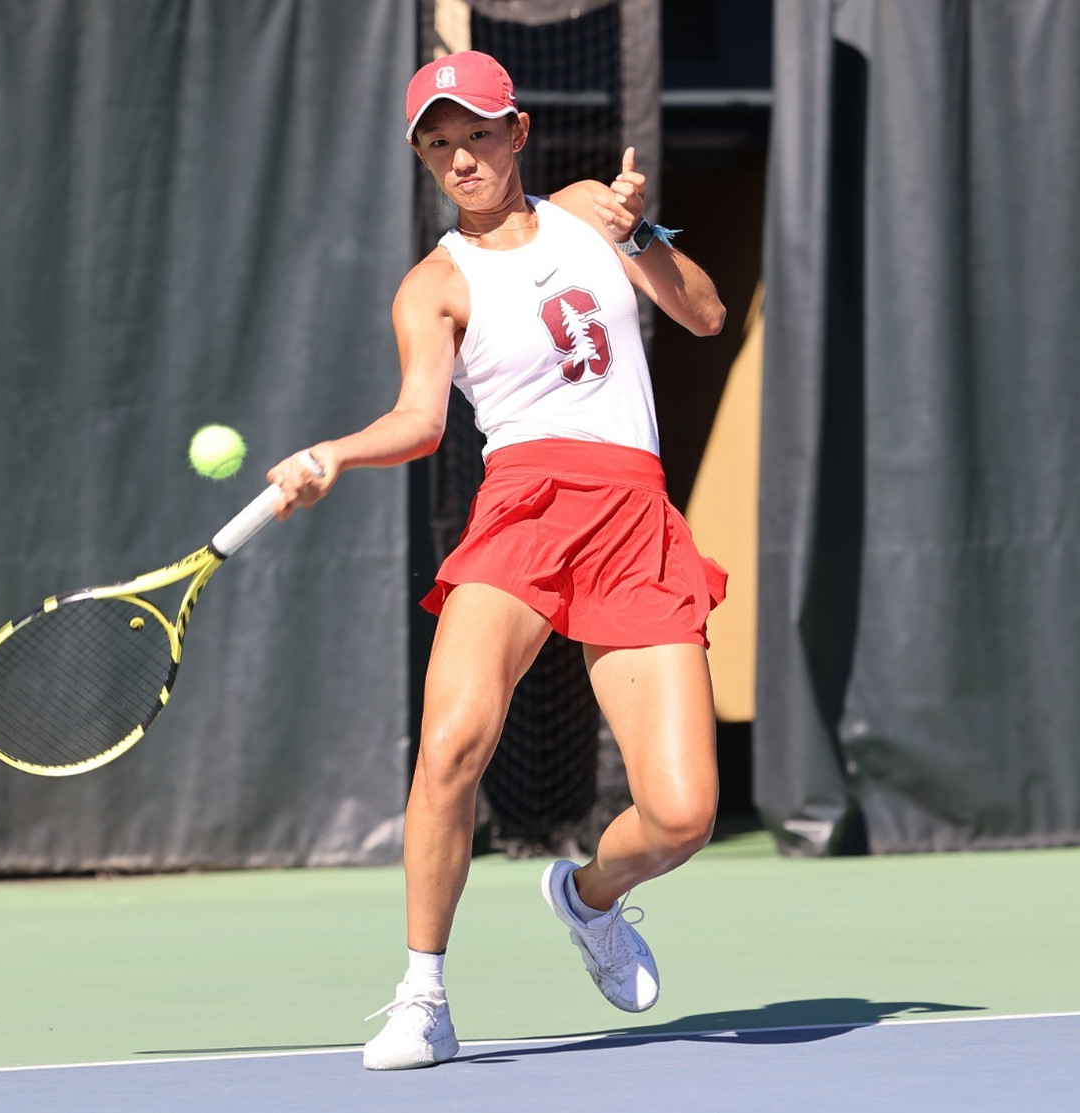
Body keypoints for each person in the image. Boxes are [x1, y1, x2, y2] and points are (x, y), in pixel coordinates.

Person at [266, 50, 729, 1072]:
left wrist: (640, 232)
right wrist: (334, 454)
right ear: (426, 162)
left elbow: (703, 314)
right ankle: (422, 995)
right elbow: (420, 421)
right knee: (452, 746)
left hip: (633, 513)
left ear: (515, 132)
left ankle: (589, 899)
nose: (461, 158)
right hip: (521, 507)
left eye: (476, 134)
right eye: (439, 145)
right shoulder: (433, 286)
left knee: (686, 812)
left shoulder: (584, 214)